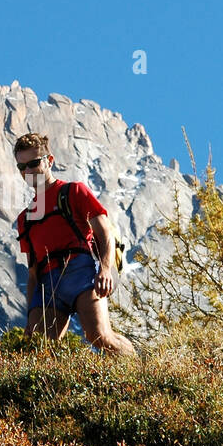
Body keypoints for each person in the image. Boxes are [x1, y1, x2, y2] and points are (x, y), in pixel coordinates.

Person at [13, 132, 135, 356]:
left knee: (100, 336)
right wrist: (30, 314)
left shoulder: (73, 192)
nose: (28, 172)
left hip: (82, 272)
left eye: (33, 163)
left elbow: (104, 231)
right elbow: (32, 273)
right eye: (22, 167)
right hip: (47, 283)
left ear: (49, 161)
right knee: (37, 348)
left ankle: (140, 370)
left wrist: (106, 269)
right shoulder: (24, 219)